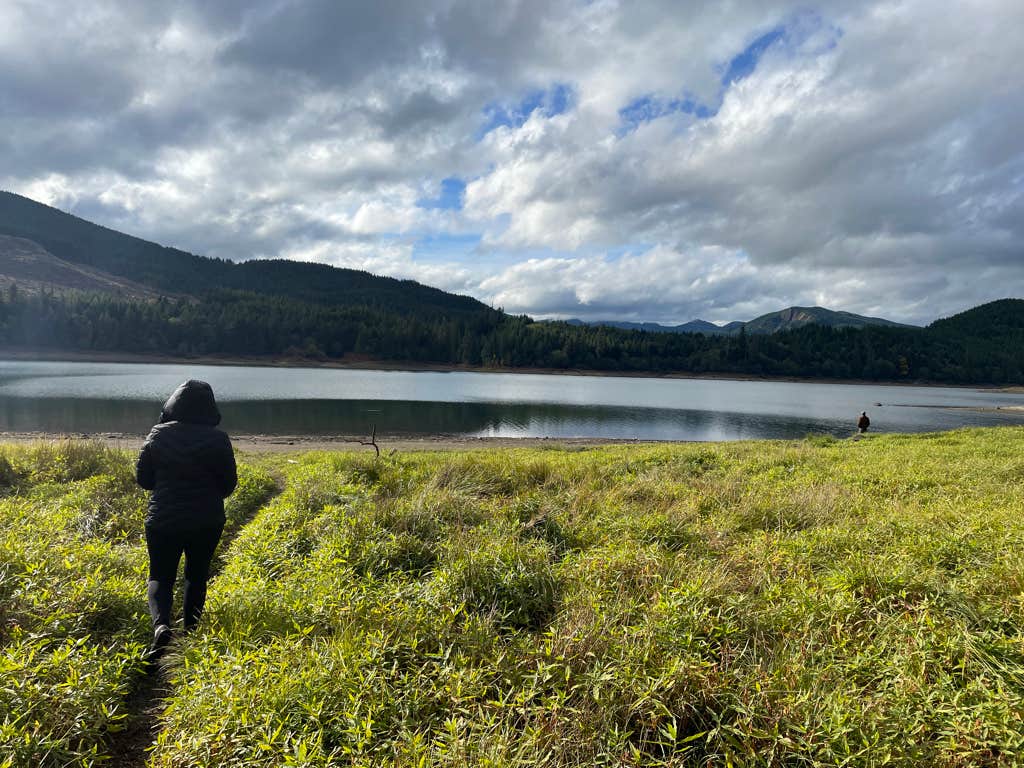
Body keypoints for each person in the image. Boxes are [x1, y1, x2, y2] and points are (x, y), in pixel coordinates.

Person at [136, 380, 236, 660]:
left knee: (160, 576)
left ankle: (162, 627)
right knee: (197, 575)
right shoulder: (219, 439)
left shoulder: (157, 434)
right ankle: (190, 635)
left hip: (162, 520)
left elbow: (144, 480)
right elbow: (229, 485)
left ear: (172, 404)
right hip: (207, 521)